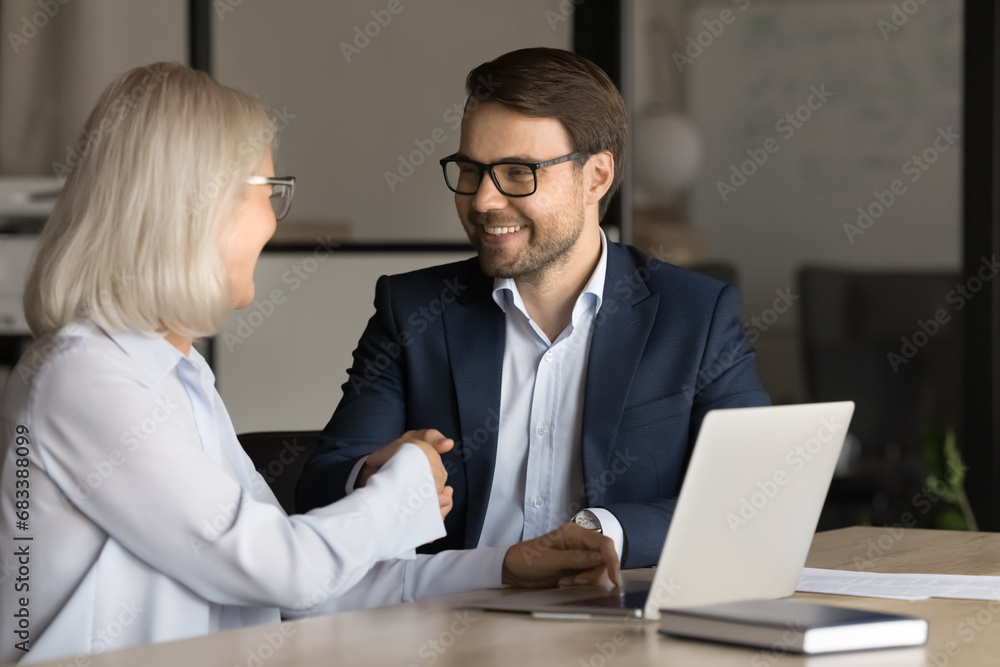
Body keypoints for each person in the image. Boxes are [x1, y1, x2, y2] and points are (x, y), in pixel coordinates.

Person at [0, 62, 617, 664]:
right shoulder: (86, 379)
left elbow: (309, 589)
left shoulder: (174, 375)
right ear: (191, 209)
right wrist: (405, 483)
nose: (273, 219)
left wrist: (504, 566)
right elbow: (287, 571)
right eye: (267, 192)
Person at [297, 47, 771, 569]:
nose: (482, 200)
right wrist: (370, 479)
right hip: (448, 620)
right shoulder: (413, 311)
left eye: (518, 173)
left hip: (614, 627)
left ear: (596, 177)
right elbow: (322, 485)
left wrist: (605, 532)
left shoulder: (696, 316)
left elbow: (749, 502)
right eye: (471, 170)